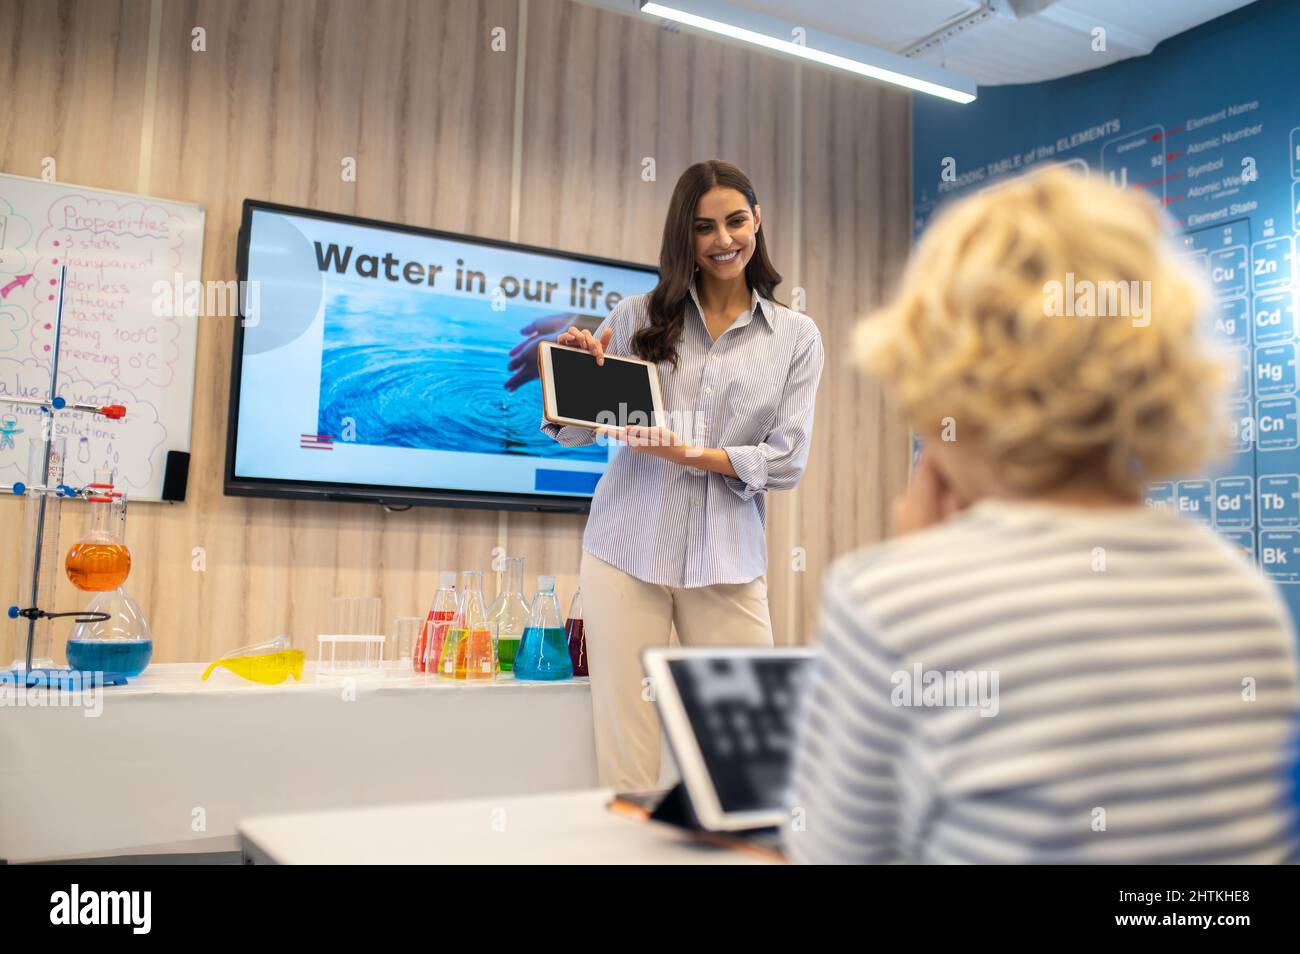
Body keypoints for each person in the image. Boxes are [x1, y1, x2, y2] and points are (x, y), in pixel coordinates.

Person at [784, 165, 1300, 864]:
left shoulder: (889, 600)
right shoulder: (1245, 597)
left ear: (946, 376)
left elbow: (833, 855)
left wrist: (916, 564)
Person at [542, 159, 824, 791]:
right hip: (625, 552)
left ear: (758, 221)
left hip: (727, 561)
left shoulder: (797, 336)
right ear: (684, 236)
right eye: (704, 227)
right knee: (629, 751)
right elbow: (584, 430)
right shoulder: (639, 315)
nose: (724, 240)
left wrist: (689, 453)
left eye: (735, 221)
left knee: (751, 759)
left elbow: (786, 461)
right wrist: (571, 373)